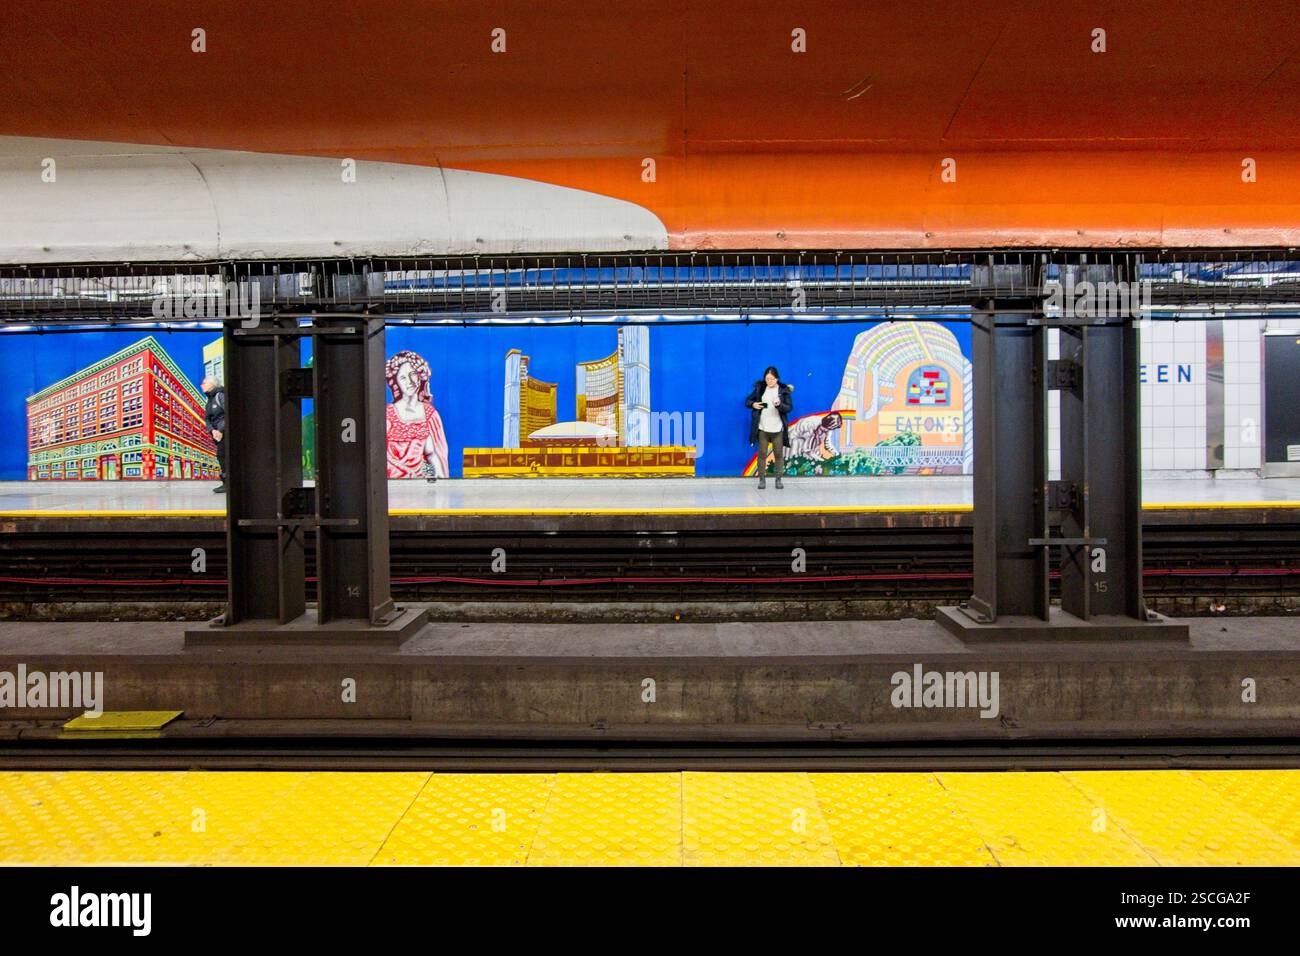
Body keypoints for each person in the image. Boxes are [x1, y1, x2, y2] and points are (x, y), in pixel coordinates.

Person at [384, 350, 450, 480]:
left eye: (412, 374)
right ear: (396, 382)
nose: (409, 381)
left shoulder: (429, 415)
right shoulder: (388, 414)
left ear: (420, 376)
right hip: (393, 487)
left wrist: (437, 482)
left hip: (419, 487)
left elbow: (431, 454)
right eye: (403, 377)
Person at [744, 365, 793, 489]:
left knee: (778, 454)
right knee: (761, 454)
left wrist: (779, 405)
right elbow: (747, 401)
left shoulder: (783, 390)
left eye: (771, 379)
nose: (769, 381)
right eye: (767, 378)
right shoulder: (760, 388)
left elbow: (789, 408)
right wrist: (753, 404)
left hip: (777, 429)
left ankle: (778, 480)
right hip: (763, 428)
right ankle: (762, 480)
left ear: (777, 379)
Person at [200, 374, 227, 493]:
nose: (202, 385)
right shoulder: (209, 401)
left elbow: (229, 413)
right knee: (222, 457)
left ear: (212, 384)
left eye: (204, 383)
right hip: (217, 435)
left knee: (223, 456)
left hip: (226, 433)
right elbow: (207, 419)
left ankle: (228, 484)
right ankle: (226, 483)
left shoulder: (220, 396)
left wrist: (221, 430)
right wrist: (213, 430)